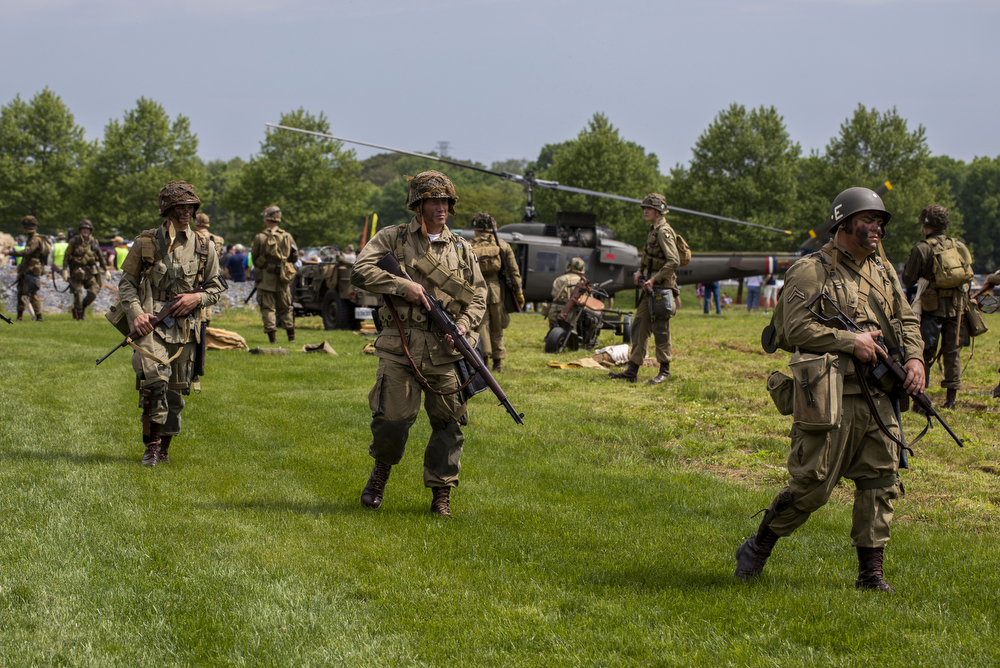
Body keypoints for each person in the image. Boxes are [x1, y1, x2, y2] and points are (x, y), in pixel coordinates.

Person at [734, 186, 925, 592]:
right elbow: (795, 328)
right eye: (869, 220)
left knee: (880, 481)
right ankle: (757, 547)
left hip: (879, 396)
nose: (877, 228)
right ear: (844, 223)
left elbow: (907, 320)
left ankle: (870, 574)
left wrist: (914, 360)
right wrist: (848, 341)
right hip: (830, 395)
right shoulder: (811, 270)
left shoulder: (884, 270)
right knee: (812, 487)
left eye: (880, 222)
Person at [350, 170, 486, 518]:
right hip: (401, 346)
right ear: (418, 204)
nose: (441, 208)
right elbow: (360, 270)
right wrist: (401, 286)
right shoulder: (392, 238)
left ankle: (442, 492)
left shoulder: (461, 248)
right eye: (433, 201)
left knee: (450, 424)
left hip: (445, 351)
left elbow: (479, 295)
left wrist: (463, 325)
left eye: (445, 201)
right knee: (392, 419)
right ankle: (381, 472)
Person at [117, 181, 225, 466]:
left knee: (177, 391)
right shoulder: (146, 243)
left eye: (190, 207)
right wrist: (137, 313)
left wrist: (197, 299)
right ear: (168, 210)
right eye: (180, 207)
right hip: (151, 323)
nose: (186, 213)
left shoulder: (205, 246)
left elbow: (216, 287)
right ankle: (151, 446)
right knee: (154, 382)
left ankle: (165, 447)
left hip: (186, 327)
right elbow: (127, 284)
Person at [901, 205, 972, 410]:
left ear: (925, 224)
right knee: (953, 352)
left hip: (931, 308)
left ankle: (920, 400)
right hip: (957, 309)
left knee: (923, 353)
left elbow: (907, 279)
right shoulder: (958, 245)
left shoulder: (921, 248)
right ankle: (951, 400)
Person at [609, 193, 678, 384]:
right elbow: (648, 256)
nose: (645, 211)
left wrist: (654, 279)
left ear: (658, 211)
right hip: (649, 290)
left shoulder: (664, 232)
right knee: (639, 327)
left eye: (649, 208)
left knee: (660, 329)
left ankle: (665, 371)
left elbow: (674, 261)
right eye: (644, 208)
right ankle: (632, 371)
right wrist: (640, 272)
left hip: (661, 290)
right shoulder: (653, 230)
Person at [469, 211, 524, 372]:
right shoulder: (502, 245)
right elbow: (514, 271)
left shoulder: (468, 245)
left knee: (481, 326)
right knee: (497, 327)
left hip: (475, 291)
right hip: (496, 290)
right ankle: (497, 363)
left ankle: (484, 362)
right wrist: (519, 292)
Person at [250, 205, 297, 343]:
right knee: (286, 308)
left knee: (267, 309)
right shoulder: (287, 236)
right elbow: (294, 257)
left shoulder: (260, 237)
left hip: (266, 279)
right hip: (283, 277)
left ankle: (273, 340)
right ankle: (291, 338)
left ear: (266, 219)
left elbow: (254, 259)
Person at [1, 216, 49, 321]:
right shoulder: (31, 238)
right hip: (26, 269)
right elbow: (26, 257)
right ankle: (20, 316)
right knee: (21, 293)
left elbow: (27, 252)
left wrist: (10, 252)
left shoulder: (35, 239)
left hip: (32, 270)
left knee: (32, 294)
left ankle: (39, 316)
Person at [65, 219, 111, 320]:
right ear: (80, 230)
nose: (85, 231)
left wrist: (106, 269)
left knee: (93, 293)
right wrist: (64, 270)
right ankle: (80, 314)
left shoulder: (94, 242)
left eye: (87, 229)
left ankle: (82, 307)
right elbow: (67, 256)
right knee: (78, 293)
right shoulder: (74, 241)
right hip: (77, 271)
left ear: (90, 230)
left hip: (90, 271)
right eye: (83, 229)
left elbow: (100, 256)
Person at [548, 257, 586, 330]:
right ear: (581, 270)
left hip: (554, 310)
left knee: (552, 332)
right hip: (570, 311)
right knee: (570, 334)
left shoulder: (558, 279)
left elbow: (554, 294)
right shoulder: (581, 282)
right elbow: (586, 299)